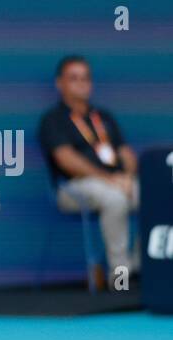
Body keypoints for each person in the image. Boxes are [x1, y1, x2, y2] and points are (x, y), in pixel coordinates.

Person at [38, 55, 141, 289]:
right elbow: (67, 160)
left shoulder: (103, 117)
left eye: (85, 78)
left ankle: (140, 268)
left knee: (159, 196)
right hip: (74, 188)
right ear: (60, 83)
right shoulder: (53, 120)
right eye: (73, 78)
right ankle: (120, 278)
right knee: (115, 199)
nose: (81, 83)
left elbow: (126, 154)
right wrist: (110, 180)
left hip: (117, 181)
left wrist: (127, 176)